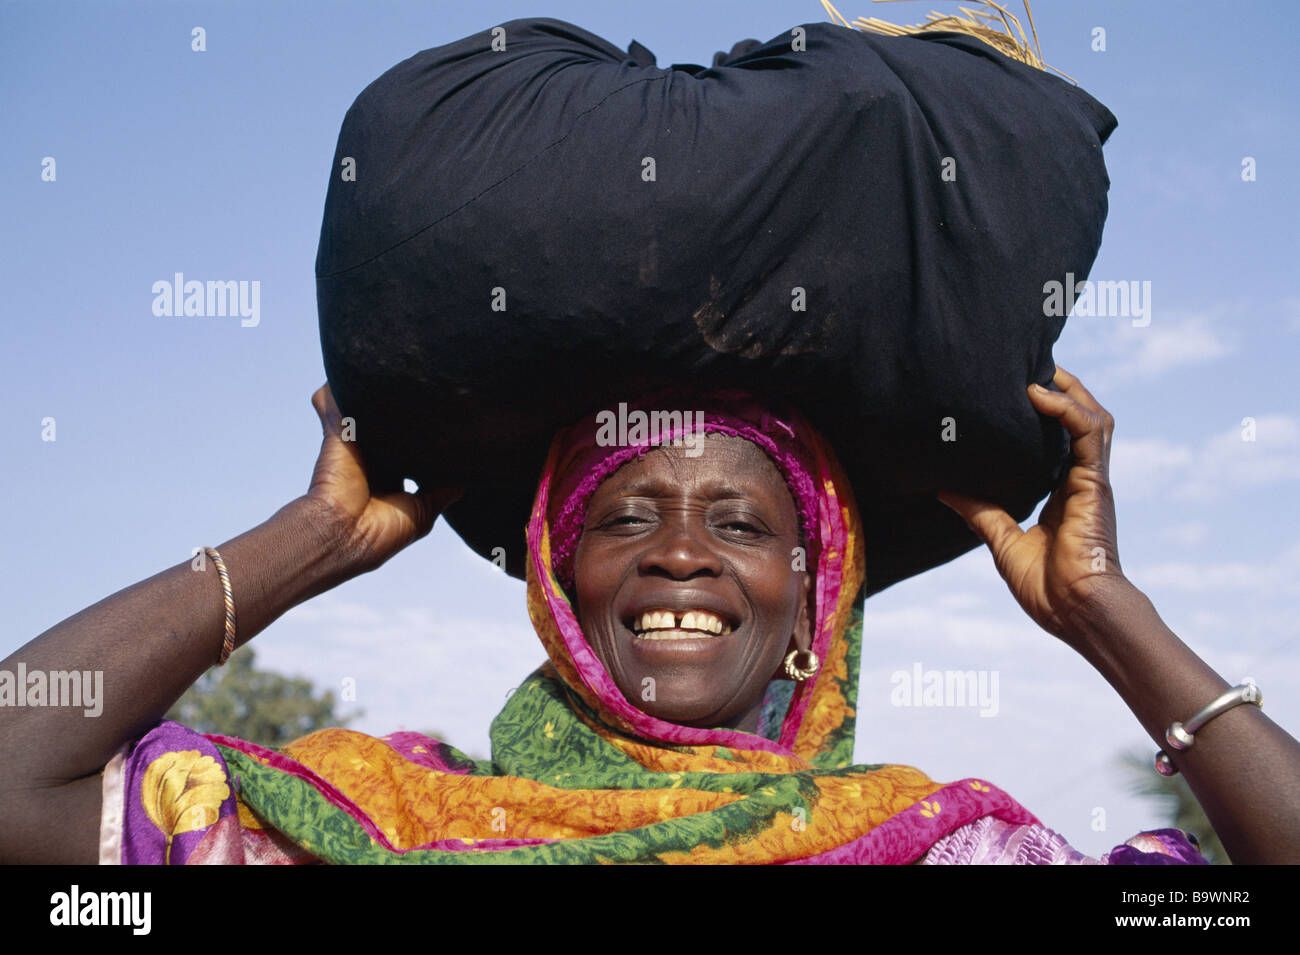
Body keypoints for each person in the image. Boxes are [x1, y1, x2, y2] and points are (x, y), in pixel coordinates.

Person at [2, 367, 1298, 864]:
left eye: (740, 525)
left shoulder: (941, 854)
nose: (681, 556)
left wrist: (1105, 611)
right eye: (624, 521)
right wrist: (312, 541)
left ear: (815, 601)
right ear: (561, 594)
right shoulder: (363, 827)